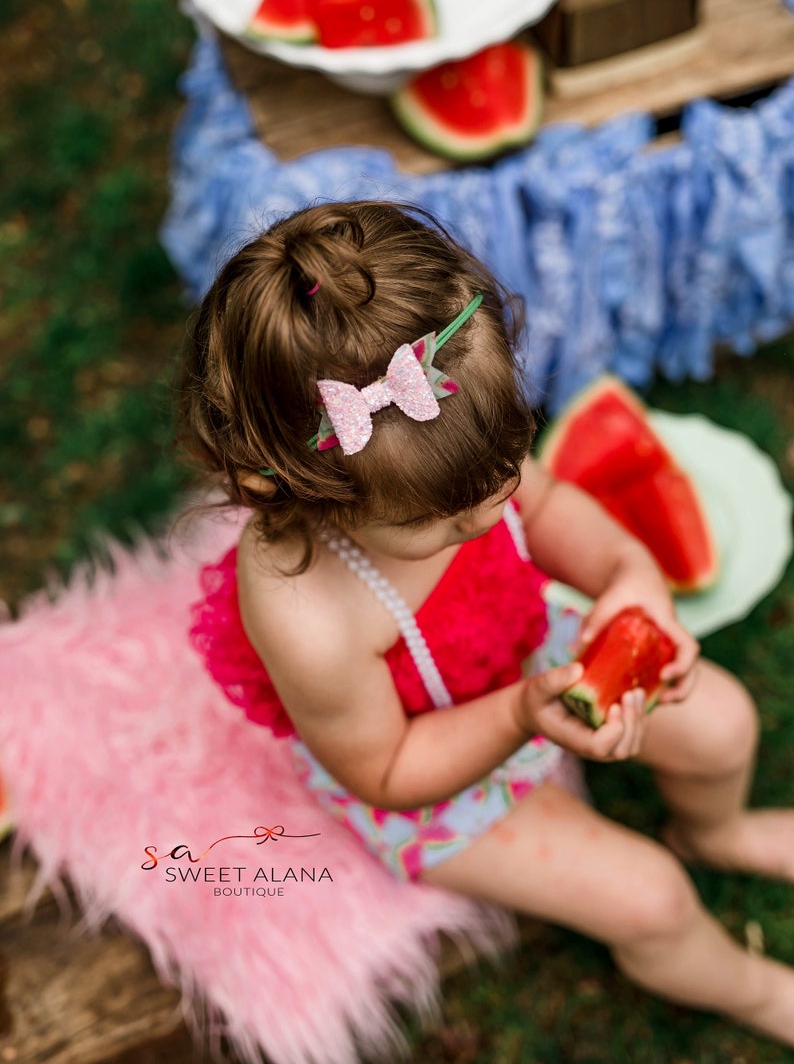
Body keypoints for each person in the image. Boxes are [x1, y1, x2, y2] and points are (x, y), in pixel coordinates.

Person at [181, 199, 794, 1047]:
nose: (492, 511)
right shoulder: (305, 607)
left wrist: (631, 579)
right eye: (442, 520)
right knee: (651, 899)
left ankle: (714, 829)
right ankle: (754, 987)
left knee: (725, 723)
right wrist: (518, 716)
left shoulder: (464, 441)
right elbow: (386, 769)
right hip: (433, 772)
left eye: (504, 470)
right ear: (293, 493)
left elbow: (552, 510)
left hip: (527, 646)